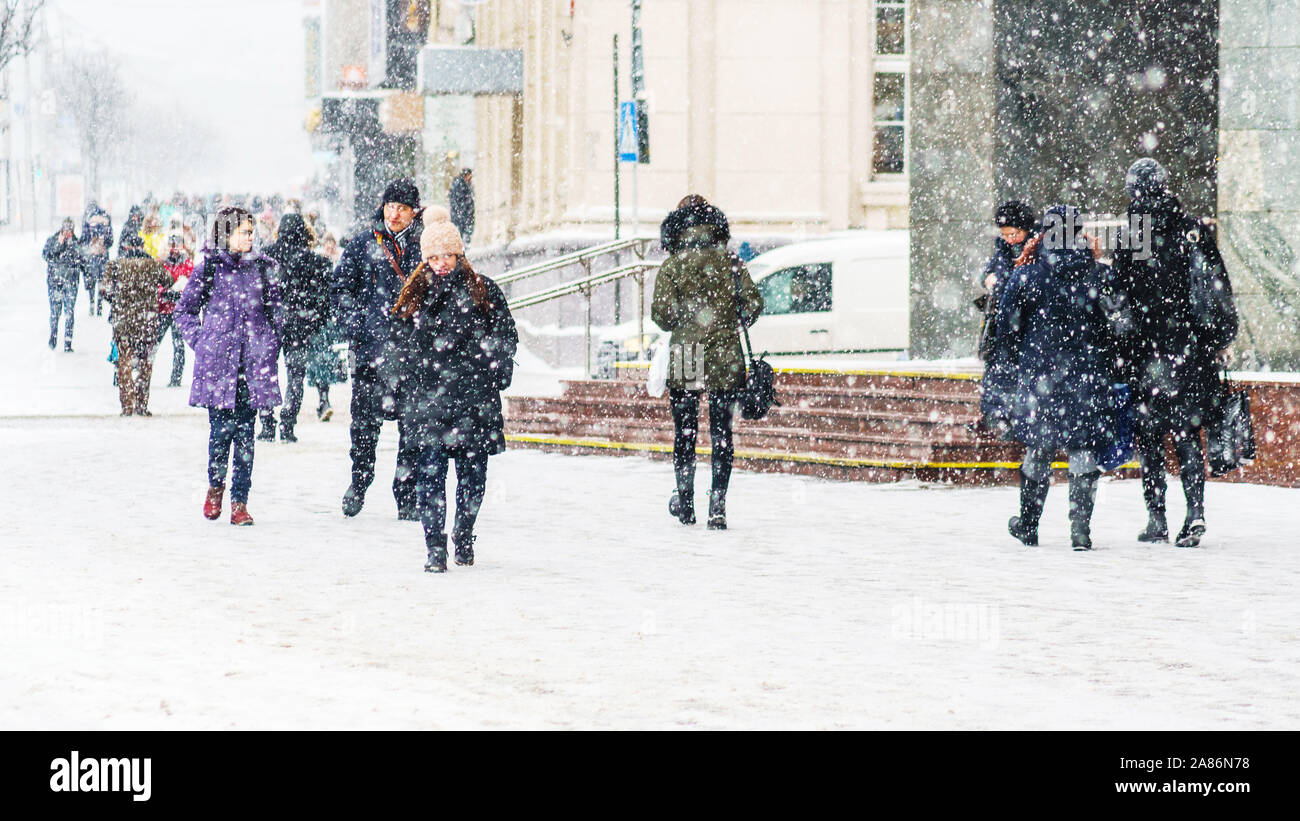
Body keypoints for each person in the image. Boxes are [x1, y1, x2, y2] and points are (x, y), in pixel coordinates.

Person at [1109, 158, 1236, 548]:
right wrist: (1217, 338)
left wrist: (1122, 344)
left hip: (1146, 351)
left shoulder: (1136, 234)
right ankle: (1195, 512)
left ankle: (1157, 517)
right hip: (1189, 349)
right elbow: (1217, 286)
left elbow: (1119, 294)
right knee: (1186, 432)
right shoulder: (1191, 229)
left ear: (1133, 190)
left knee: (1149, 436)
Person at [391, 214, 517, 572]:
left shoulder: (483, 290)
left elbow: (506, 335)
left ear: (459, 254)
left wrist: (495, 370)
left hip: (473, 400)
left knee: (473, 476)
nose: (440, 263)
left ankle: (463, 533)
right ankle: (434, 546)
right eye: (433, 257)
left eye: (446, 255)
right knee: (430, 476)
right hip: (430, 401)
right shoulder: (415, 293)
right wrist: (406, 382)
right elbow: (399, 343)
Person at [995, 205, 1114, 550]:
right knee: (1082, 448)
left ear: (1044, 233)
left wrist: (1018, 363)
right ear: (1079, 233)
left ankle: (1028, 524)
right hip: (1086, 375)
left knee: (1039, 448)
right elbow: (1115, 326)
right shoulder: (1097, 274)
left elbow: (1006, 330)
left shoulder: (1027, 275)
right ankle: (1080, 531)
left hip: (1040, 375)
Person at [651, 198, 763, 530]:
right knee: (721, 434)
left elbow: (662, 316)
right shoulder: (731, 263)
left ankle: (686, 502)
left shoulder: (673, 266)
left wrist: (686, 321)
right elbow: (753, 304)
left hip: (688, 353)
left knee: (685, 433)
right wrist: (730, 321)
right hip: (726, 354)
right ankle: (717, 505)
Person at [175, 207, 285, 526]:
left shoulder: (263, 269)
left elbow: (277, 314)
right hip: (218, 368)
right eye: (244, 232)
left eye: (252, 232)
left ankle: (240, 503)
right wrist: (203, 342)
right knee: (220, 435)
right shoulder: (209, 269)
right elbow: (184, 311)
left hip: (252, 367)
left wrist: (269, 343)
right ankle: (216, 487)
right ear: (226, 234)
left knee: (247, 437)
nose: (250, 237)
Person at [331, 179, 426, 519]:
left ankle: (406, 494)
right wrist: (360, 324)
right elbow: (340, 289)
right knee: (363, 425)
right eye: (390, 206)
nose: (394, 214)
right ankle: (359, 481)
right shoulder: (364, 243)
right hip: (370, 352)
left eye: (402, 208)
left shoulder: (425, 245)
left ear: (414, 212)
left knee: (413, 428)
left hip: (414, 354)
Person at [258, 213, 332, 442]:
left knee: (266, 373)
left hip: (270, 323)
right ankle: (288, 424)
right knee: (296, 376)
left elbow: (255, 293)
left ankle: (267, 423)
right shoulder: (315, 261)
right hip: (300, 324)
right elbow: (325, 298)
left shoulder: (265, 258)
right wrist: (315, 320)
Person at [977, 200, 1037, 437]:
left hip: (1023, 322)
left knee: (1014, 372)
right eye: (1005, 234)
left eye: (1014, 234)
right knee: (996, 368)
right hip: (1001, 321)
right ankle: (994, 417)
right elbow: (989, 271)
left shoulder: (1036, 249)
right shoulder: (1002, 248)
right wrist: (988, 278)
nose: (1010, 239)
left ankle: (1012, 420)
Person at [102, 231, 172, 415]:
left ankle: (127, 406)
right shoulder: (153, 265)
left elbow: (104, 290)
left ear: (126, 247)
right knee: (145, 365)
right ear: (142, 247)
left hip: (123, 323)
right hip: (147, 322)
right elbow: (169, 281)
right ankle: (142, 405)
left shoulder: (115, 265)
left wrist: (117, 302)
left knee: (124, 364)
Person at [155, 234, 193, 387]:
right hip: (164, 308)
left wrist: (180, 293)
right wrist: (164, 292)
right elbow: (155, 283)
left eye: (177, 245)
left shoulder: (187, 264)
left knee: (178, 345)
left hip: (178, 310)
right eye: (172, 245)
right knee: (155, 341)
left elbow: (192, 284)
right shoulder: (162, 264)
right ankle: (145, 371)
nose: (175, 248)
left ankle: (176, 378)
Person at [43, 218, 84, 352]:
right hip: (55, 283)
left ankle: (68, 342)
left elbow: (82, 261)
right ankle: (53, 336)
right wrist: (59, 245)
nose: (67, 233)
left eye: (70, 231)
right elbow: (46, 255)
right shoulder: (53, 240)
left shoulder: (76, 243)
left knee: (69, 313)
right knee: (55, 312)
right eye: (66, 230)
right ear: (62, 229)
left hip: (71, 283)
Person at [81, 201, 114, 316]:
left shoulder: (88, 222)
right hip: (103, 255)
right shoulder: (106, 222)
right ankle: (99, 305)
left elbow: (83, 239)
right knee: (101, 280)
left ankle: (92, 302)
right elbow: (110, 241)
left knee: (91, 280)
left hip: (92, 255)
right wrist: (104, 243)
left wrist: (88, 244)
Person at [449, 168, 474, 246]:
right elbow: (458, 200)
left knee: (463, 235)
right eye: (469, 176)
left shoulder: (463, 183)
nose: (470, 178)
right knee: (460, 235)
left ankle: (463, 247)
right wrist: (462, 212)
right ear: (466, 175)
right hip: (461, 216)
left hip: (463, 215)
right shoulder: (460, 184)